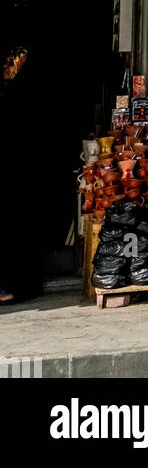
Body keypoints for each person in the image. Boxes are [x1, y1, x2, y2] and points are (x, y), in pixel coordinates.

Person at [0, 48, 45, 303]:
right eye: (6, 62)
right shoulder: (14, 93)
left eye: (10, 62)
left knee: (16, 229)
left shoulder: (18, 93)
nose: (8, 66)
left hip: (17, 173)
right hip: (16, 172)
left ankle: (14, 286)